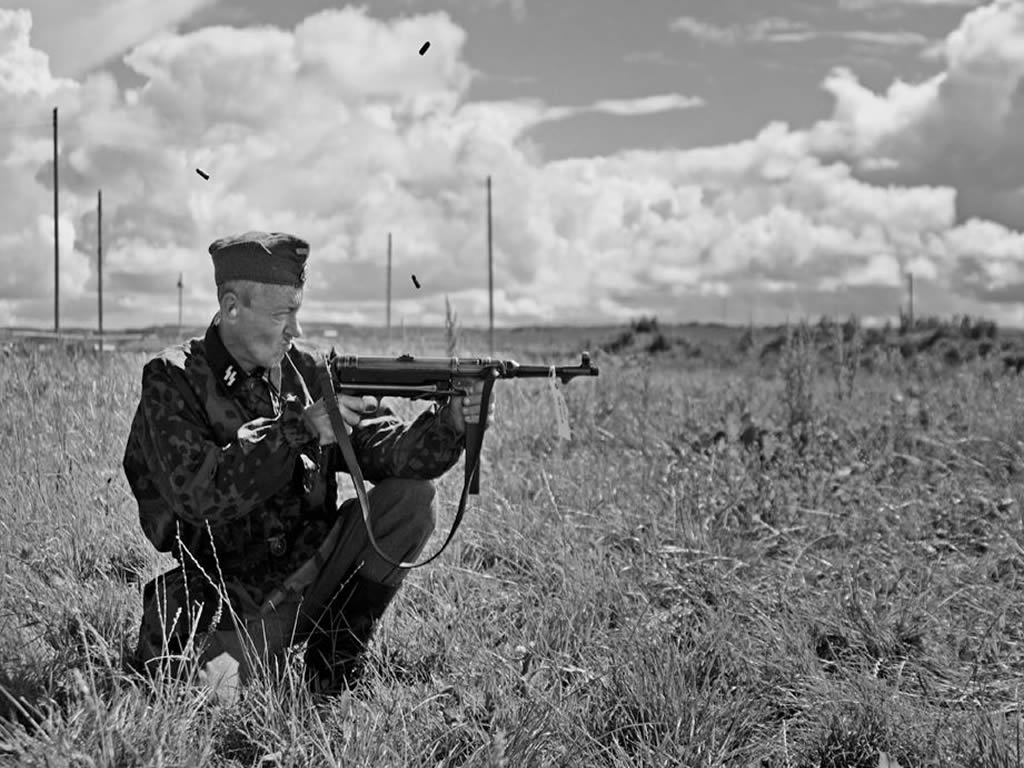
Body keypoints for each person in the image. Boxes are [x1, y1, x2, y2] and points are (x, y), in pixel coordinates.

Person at [122, 230, 493, 697]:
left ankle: (333, 659)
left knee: (411, 500)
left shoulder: (310, 369)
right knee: (212, 707)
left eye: (297, 311)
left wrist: (449, 425)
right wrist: (300, 429)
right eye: (282, 315)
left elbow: (389, 451)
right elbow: (202, 494)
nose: (294, 330)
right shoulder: (173, 379)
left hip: (315, 571)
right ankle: (248, 664)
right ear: (233, 307)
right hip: (234, 601)